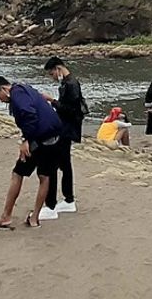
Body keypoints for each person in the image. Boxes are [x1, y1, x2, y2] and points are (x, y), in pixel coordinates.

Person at [0, 76, 63, 229]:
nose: (1, 100)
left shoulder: (17, 95)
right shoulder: (26, 88)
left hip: (39, 139)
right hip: (55, 138)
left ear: (4, 89)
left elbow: (29, 115)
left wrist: (25, 140)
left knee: (17, 173)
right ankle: (34, 219)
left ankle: (6, 216)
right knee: (45, 177)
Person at [43, 57, 85, 217]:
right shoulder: (68, 83)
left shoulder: (71, 84)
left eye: (52, 73)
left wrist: (52, 101)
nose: (52, 76)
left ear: (59, 68)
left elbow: (71, 110)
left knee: (55, 165)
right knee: (65, 164)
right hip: (66, 129)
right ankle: (68, 200)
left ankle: (53, 204)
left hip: (66, 130)